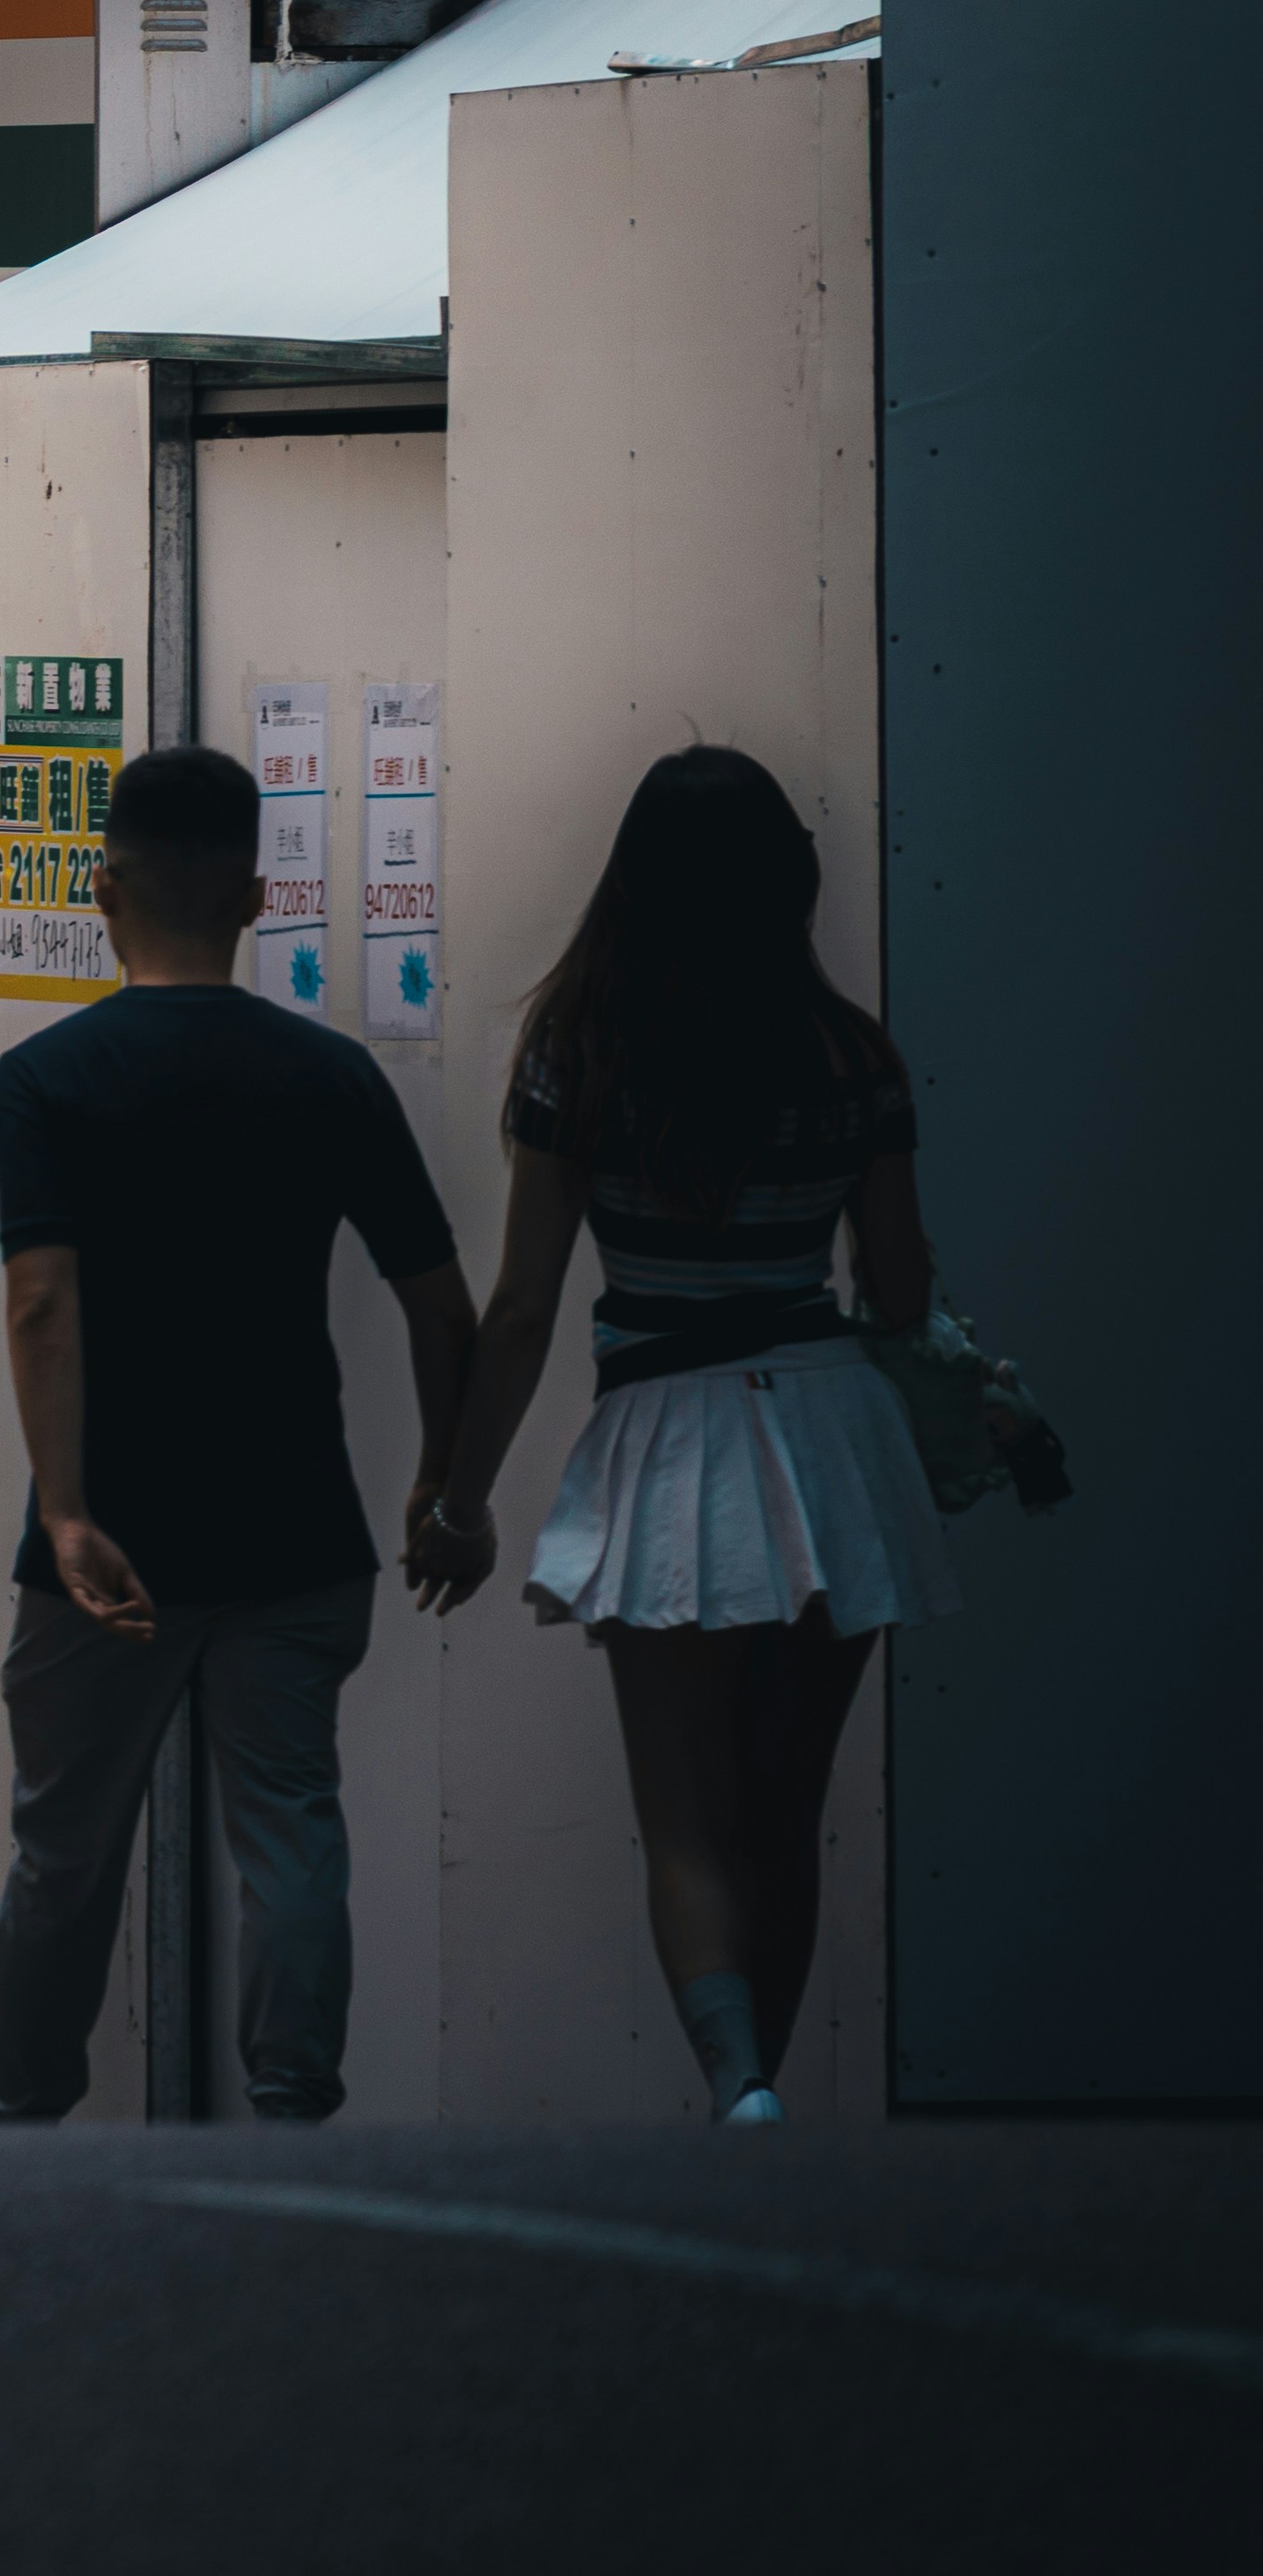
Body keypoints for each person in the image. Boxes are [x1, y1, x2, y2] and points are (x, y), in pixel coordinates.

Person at [423, 746, 949, 2124]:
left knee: (689, 1821)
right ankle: (756, 2121)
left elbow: (526, 1306)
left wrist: (461, 1499)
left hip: (667, 1441)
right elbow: (899, 1292)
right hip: (833, 1440)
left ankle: (740, 2093)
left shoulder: (578, 1057)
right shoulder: (854, 1057)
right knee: (788, 1815)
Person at [0, 744, 481, 2128]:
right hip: (295, 1529)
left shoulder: (44, 1078)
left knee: (62, 1852)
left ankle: (21, 2121)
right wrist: (448, 1483)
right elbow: (443, 1309)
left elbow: (41, 1299)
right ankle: (295, 2109)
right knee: (292, 1834)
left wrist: (68, 1512)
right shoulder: (330, 1079)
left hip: (108, 1540)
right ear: (259, 899)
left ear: (100, 888)